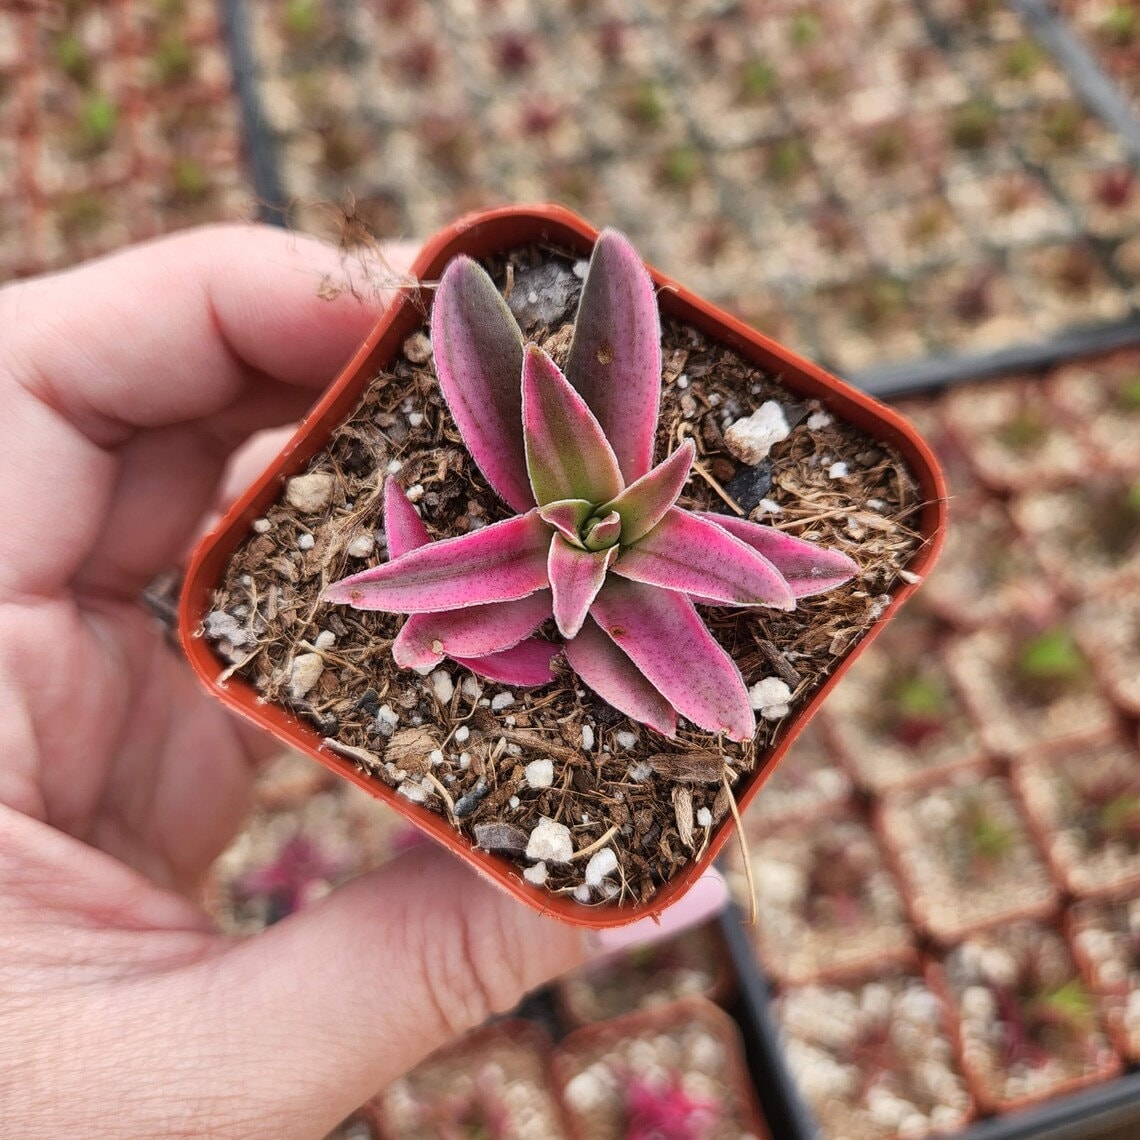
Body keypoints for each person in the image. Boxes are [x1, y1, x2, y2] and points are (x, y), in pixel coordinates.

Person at [0, 224, 728, 1138]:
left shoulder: (618, 558)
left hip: (606, 548)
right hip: (535, 546)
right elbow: (440, 611)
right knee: (430, 594)